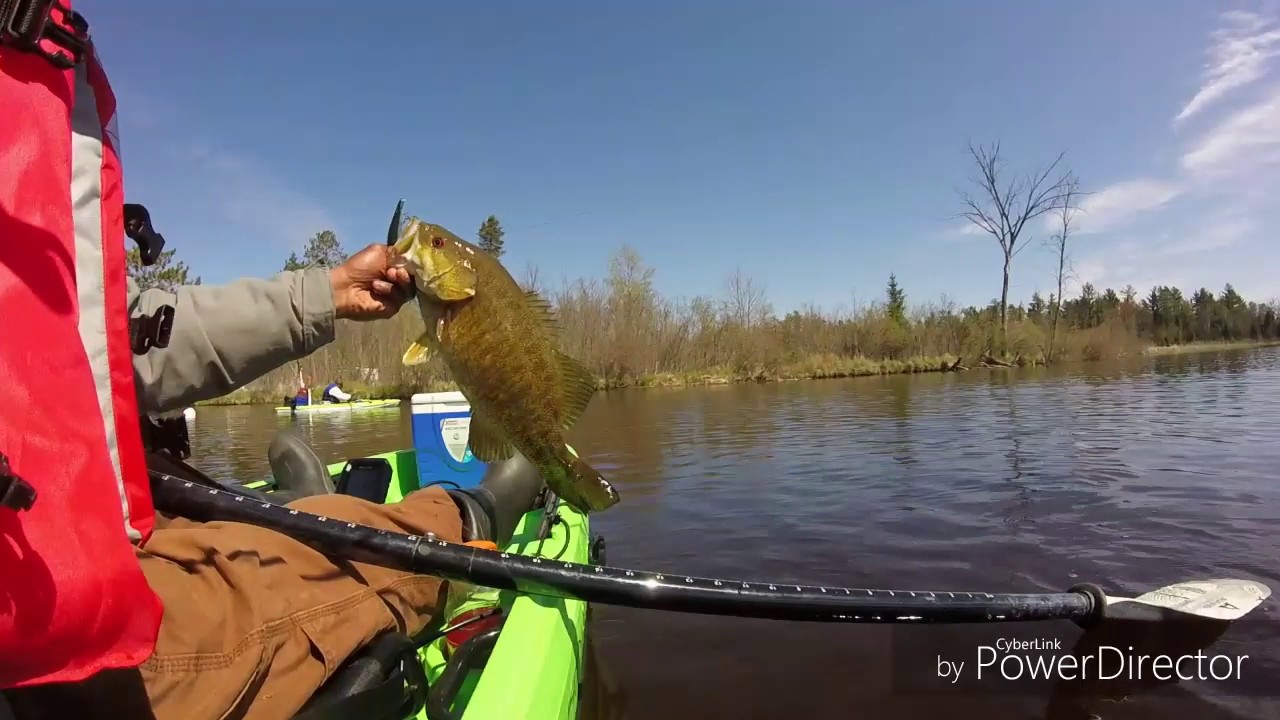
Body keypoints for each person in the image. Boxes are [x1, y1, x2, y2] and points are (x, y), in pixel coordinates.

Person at [0, 5, 544, 719]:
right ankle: (465, 515)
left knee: (269, 527)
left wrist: (324, 294)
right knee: (359, 553)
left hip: (66, 530)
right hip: (39, 622)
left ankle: (299, 504)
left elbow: (105, 337)